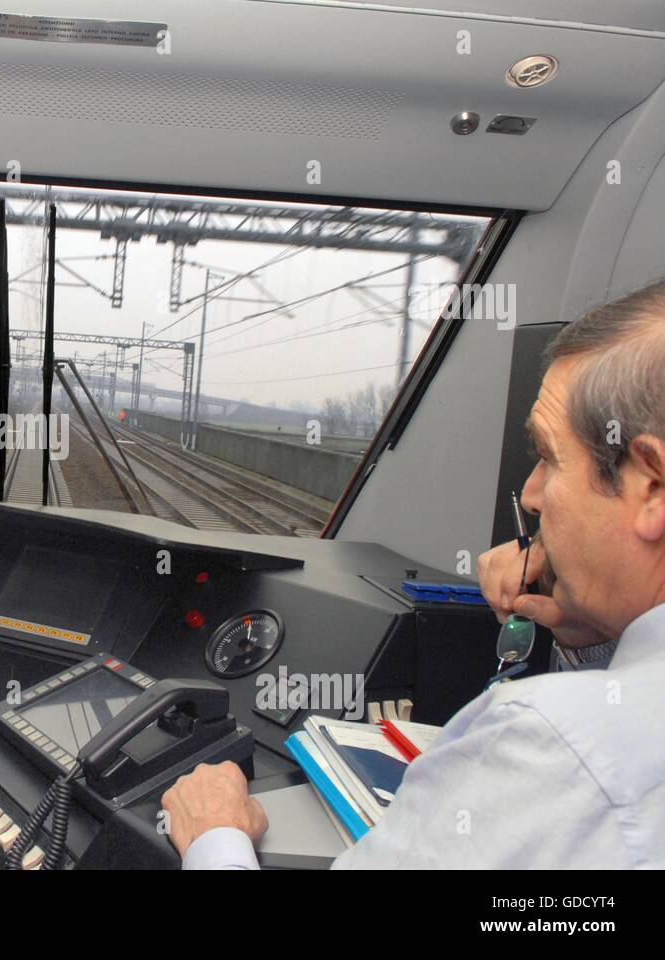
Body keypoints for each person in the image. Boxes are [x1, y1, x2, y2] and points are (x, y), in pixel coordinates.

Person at [163, 279, 665, 868]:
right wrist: (597, 626)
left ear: (650, 486)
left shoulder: (556, 748)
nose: (530, 496)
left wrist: (215, 837)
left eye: (550, 458)